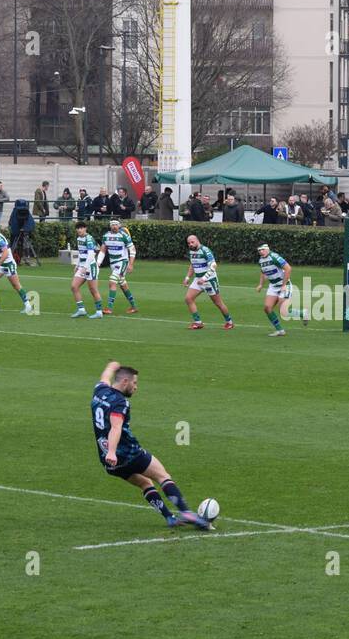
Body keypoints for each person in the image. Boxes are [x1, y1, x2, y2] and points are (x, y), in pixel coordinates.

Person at [91, 361, 212, 531]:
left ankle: (169, 518)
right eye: (134, 383)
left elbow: (105, 376)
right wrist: (113, 451)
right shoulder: (120, 402)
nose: (136, 387)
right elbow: (116, 427)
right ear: (124, 381)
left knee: (145, 483)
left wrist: (111, 367)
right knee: (163, 476)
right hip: (128, 454)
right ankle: (186, 512)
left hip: (107, 461)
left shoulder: (99, 391)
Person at [183, 235, 233, 329]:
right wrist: (187, 277)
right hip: (198, 280)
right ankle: (198, 322)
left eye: (192, 242)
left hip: (209, 281)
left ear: (197, 241)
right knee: (188, 299)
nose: (190, 244)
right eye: (189, 243)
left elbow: (213, 265)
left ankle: (229, 322)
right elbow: (193, 265)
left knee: (218, 303)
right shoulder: (191, 252)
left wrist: (205, 278)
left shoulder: (205, 250)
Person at [0, 223, 32, 313]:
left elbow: (5, 253)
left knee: (16, 286)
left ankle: (28, 306)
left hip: (8, 265)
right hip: (2, 265)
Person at [99, 219, 139, 316]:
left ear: (119, 225)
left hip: (122, 262)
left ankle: (109, 308)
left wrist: (131, 264)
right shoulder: (106, 236)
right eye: (112, 224)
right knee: (122, 284)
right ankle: (134, 306)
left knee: (112, 281)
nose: (114, 226)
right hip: (113, 263)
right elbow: (103, 250)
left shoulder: (124, 235)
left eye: (116, 224)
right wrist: (98, 262)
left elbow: (132, 250)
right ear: (110, 226)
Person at [69, 222, 105, 319]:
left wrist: (85, 267)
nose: (79, 230)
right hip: (82, 266)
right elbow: (81, 253)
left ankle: (99, 312)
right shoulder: (78, 238)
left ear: (85, 228)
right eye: (78, 228)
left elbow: (91, 254)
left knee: (93, 289)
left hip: (90, 267)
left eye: (81, 228)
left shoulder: (88, 238)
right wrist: (77, 265)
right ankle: (81, 310)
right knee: (74, 286)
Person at [255, 243, 293, 337]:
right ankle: (280, 330)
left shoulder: (274, 257)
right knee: (267, 308)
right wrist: (260, 285)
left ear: (267, 249)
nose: (260, 252)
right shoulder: (261, 260)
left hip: (284, 285)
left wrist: (284, 285)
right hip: (273, 286)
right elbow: (263, 273)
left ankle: (303, 313)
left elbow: (288, 269)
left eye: (262, 249)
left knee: (283, 310)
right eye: (259, 250)